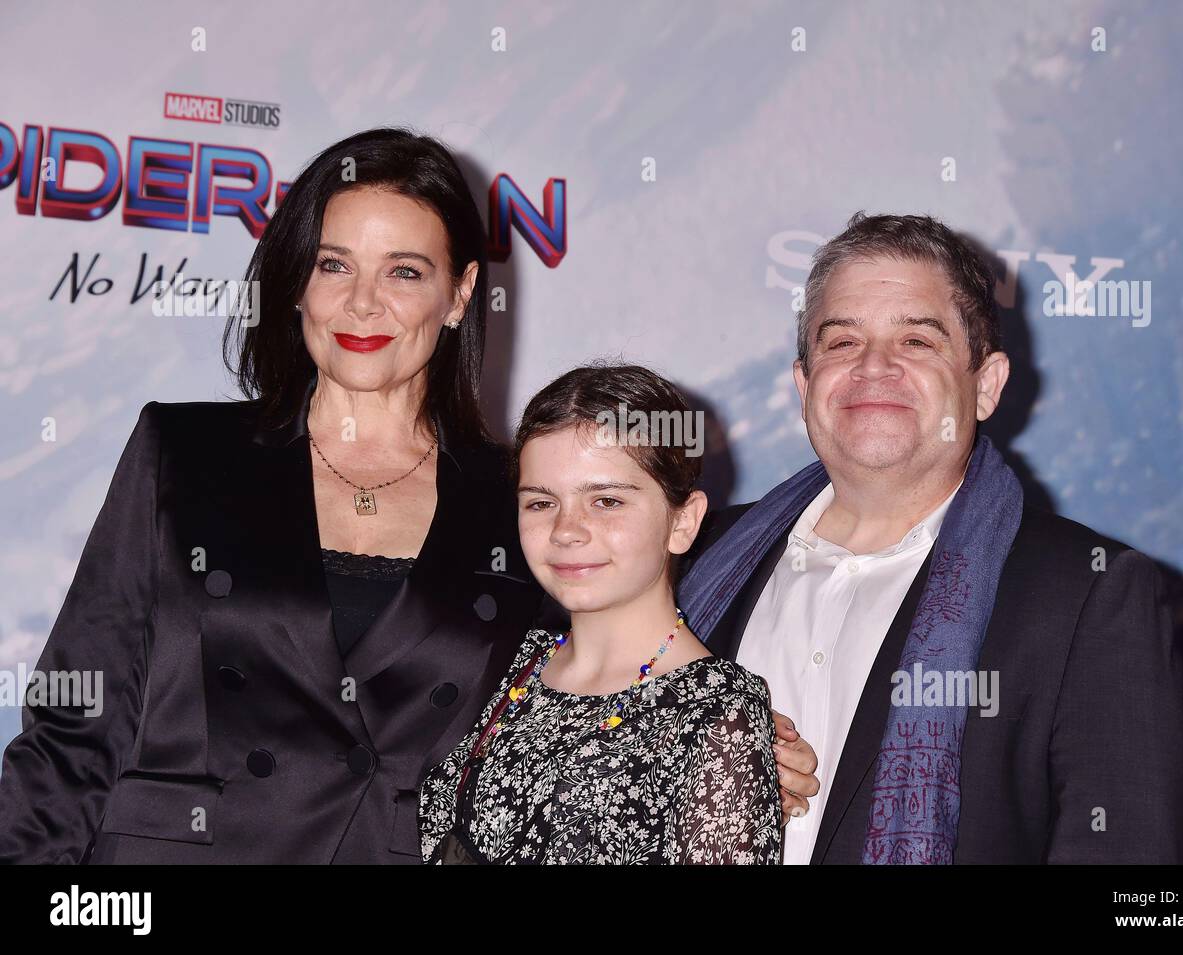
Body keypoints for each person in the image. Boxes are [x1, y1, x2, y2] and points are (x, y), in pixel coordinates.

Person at [0, 127, 818, 863]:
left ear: (459, 295)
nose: (363, 302)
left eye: (404, 271)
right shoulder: (183, 453)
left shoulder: (521, 500)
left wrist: (712, 744)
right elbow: (74, 727)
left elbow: (604, 664)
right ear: (296, 284)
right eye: (334, 265)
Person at [678, 213, 1183, 864]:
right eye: (842, 342)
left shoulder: (1089, 595)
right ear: (804, 384)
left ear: (986, 385)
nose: (874, 367)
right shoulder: (686, 560)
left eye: (917, 342)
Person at [418, 365, 783, 864]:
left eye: (606, 501)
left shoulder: (719, 715)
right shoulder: (512, 661)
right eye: (542, 502)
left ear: (683, 521)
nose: (567, 530)